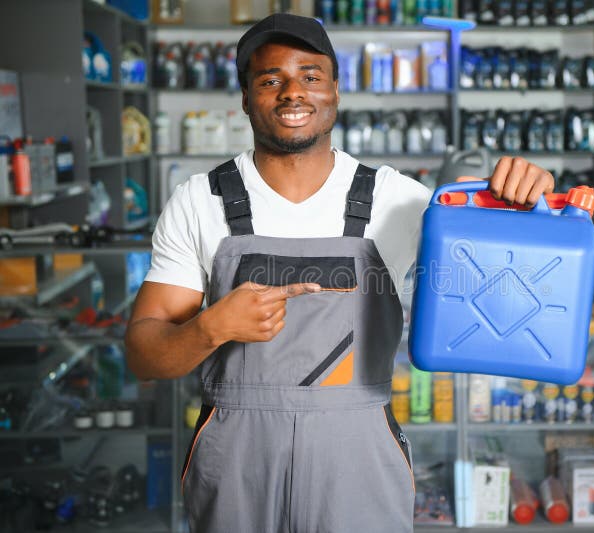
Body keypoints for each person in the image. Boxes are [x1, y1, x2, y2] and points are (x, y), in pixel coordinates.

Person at [125, 13, 554, 533]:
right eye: (270, 80)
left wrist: (525, 199)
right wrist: (210, 327)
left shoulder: (399, 200)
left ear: (335, 91)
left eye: (310, 76)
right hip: (238, 465)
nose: (293, 92)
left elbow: (502, 289)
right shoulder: (200, 201)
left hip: (358, 463)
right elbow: (143, 356)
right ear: (245, 98)